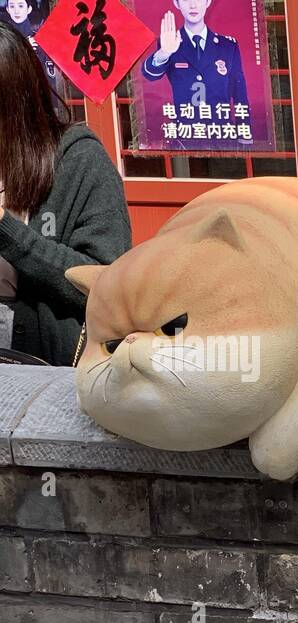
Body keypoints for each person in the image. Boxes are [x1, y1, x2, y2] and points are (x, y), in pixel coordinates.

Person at [0, 22, 130, 364]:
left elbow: (108, 283)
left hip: (46, 371)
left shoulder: (78, 161)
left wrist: (7, 230)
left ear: (14, 103)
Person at [141, 0, 251, 143]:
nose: (193, 5)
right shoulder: (170, 42)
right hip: (184, 138)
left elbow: (239, 92)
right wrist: (164, 52)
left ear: (208, 2)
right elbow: (149, 74)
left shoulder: (228, 46)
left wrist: (244, 134)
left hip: (222, 135)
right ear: (176, 3)